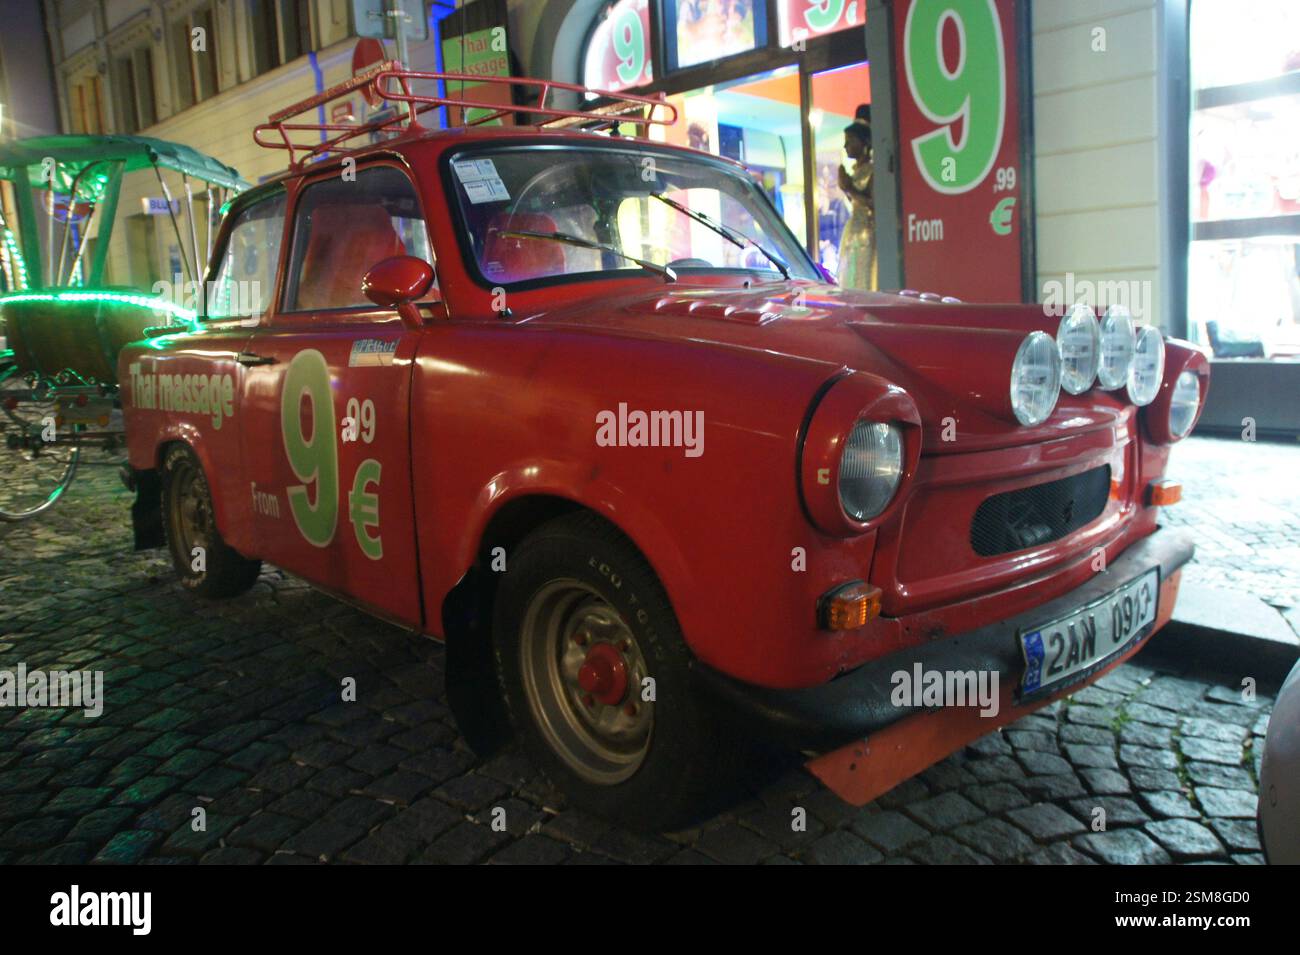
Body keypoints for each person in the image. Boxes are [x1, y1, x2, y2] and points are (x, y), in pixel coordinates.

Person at [837, 104, 876, 290]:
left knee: (865, 280)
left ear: (865, 142)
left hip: (866, 233)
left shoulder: (872, 170)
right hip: (854, 231)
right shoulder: (856, 171)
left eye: (850, 141)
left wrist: (849, 188)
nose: (846, 146)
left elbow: (873, 203)